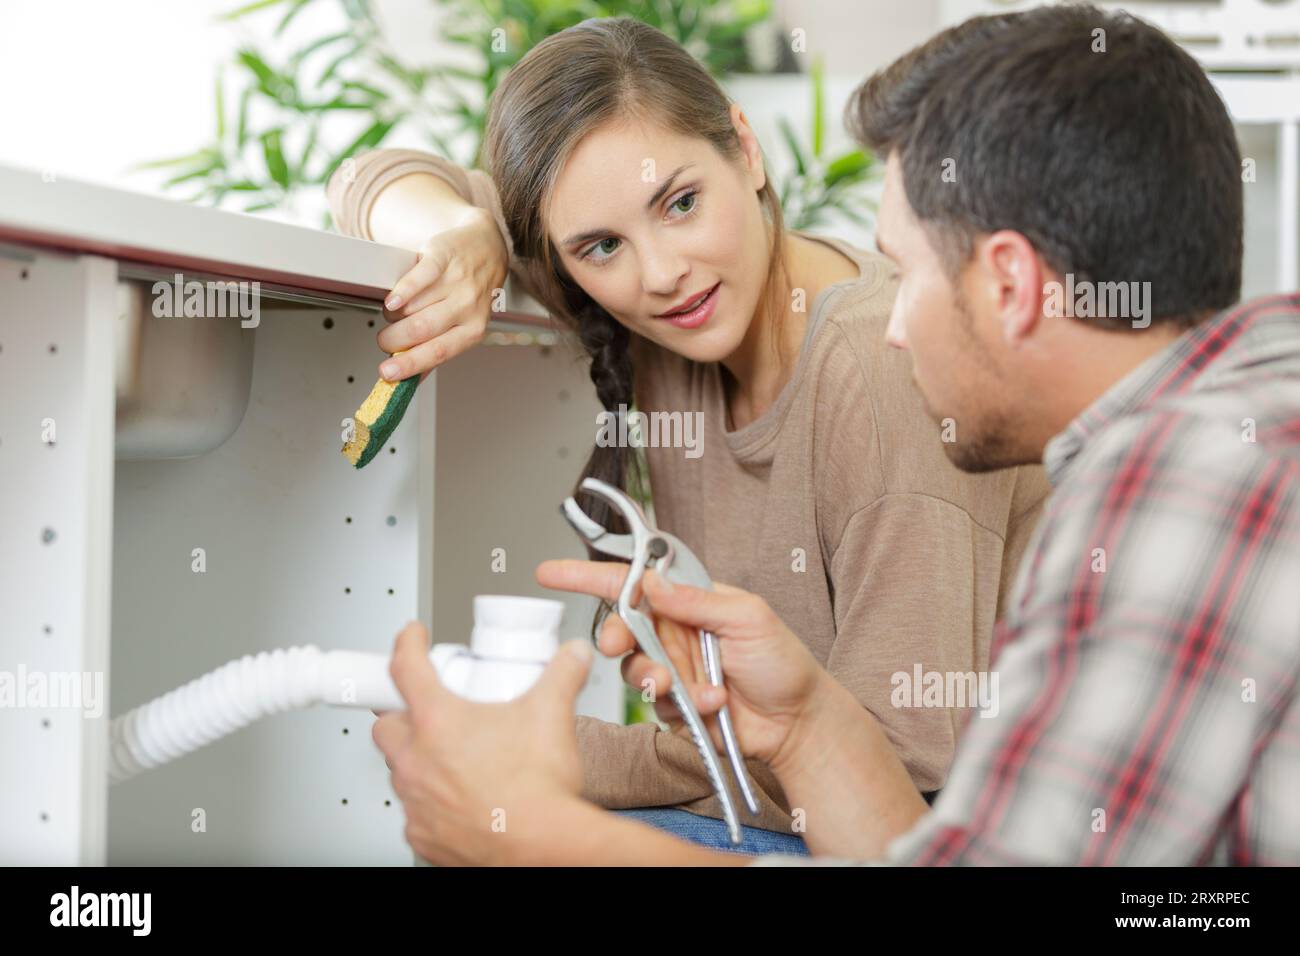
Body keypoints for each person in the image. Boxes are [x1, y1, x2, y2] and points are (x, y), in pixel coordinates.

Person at [372, 2, 1300, 866]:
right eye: (602, 246)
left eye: (902, 268)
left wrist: (538, 819)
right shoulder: (1223, 420)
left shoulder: (1182, 484)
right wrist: (467, 233)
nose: (896, 320)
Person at [332, 16, 1048, 853]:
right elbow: (366, 178)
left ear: (744, 150)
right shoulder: (652, 302)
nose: (662, 272)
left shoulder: (880, 367)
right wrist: (465, 239)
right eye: (601, 247)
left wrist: (566, 757)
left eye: (680, 202)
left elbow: (896, 781)